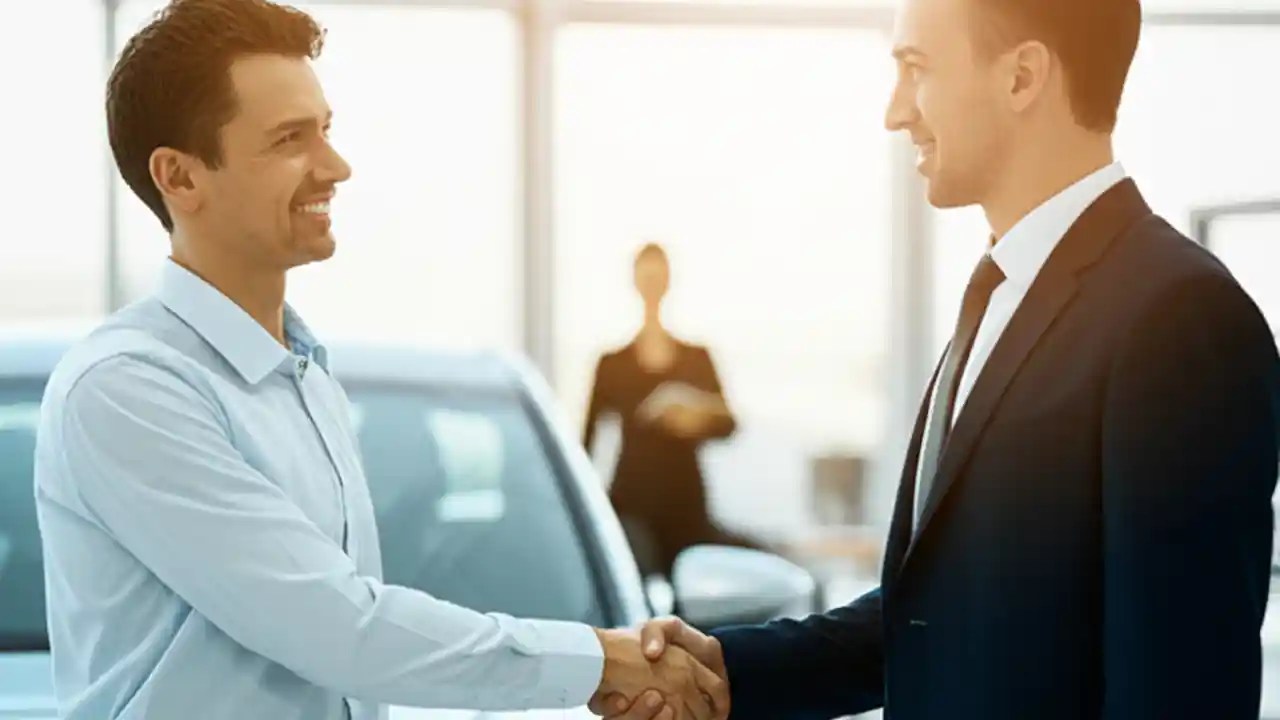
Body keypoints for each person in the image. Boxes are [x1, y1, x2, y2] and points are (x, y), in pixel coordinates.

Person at [32, 2, 727, 719]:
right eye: (289, 139)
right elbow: (336, 628)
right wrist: (596, 660)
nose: (335, 166)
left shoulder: (307, 379)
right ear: (179, 178)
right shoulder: (127, 387)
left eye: (325, 130)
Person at [594, 0, 1280, 717]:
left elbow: (1178, 693)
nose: (895, 113)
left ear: (1022, 78)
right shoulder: (1005, 297)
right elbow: (938, 615)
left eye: (916, 69)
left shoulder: (1179, 319)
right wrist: (726, 669)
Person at [584, 243, 765, 579]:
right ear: (635, 281)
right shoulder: (612, 364)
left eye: (659, 275)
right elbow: (587, 444)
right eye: (646, 275)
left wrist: (694, 411)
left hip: (686, 506)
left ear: (669, 281)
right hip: (632, 507)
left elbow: (729, 424)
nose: (652, 284)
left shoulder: (697, 358)